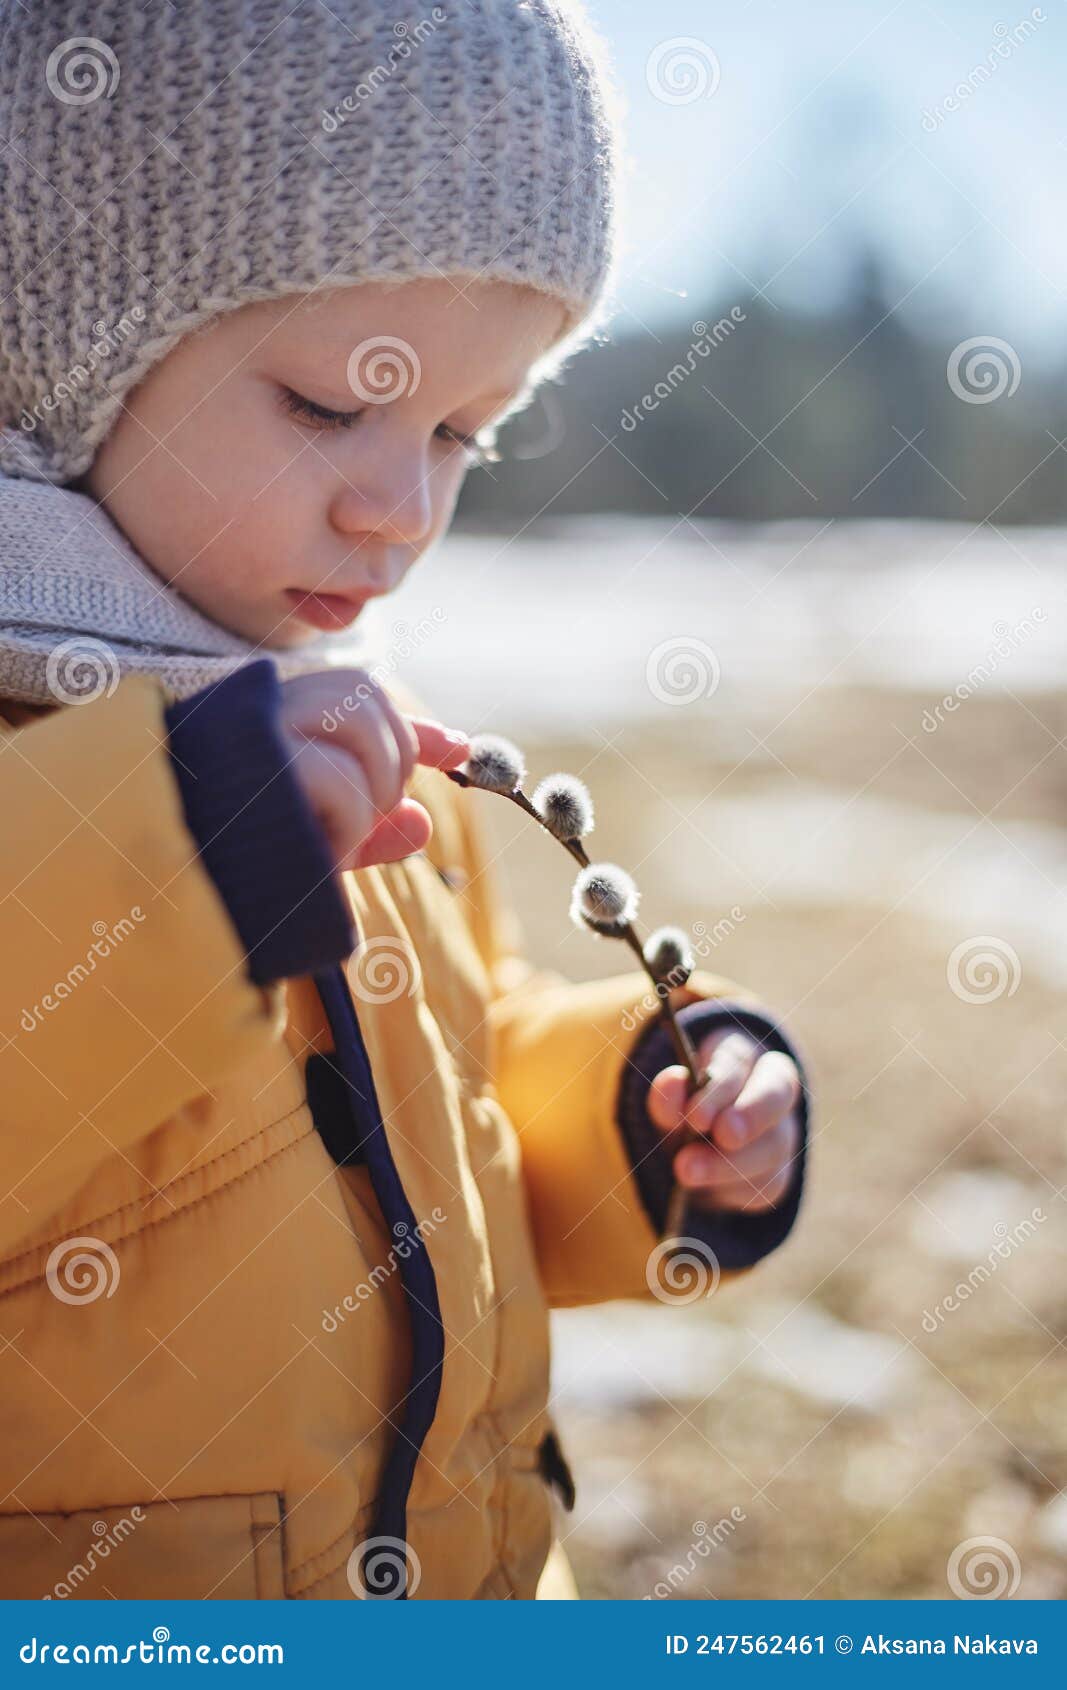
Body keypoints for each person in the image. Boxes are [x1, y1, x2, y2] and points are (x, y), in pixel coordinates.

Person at [0, 0, 809, 1600]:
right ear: (68, 329)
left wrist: (652, 1118)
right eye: (324, 405)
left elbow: (463, 1083)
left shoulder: (365, 732)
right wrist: (171, 852)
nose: (400, 511)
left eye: (463, 433)